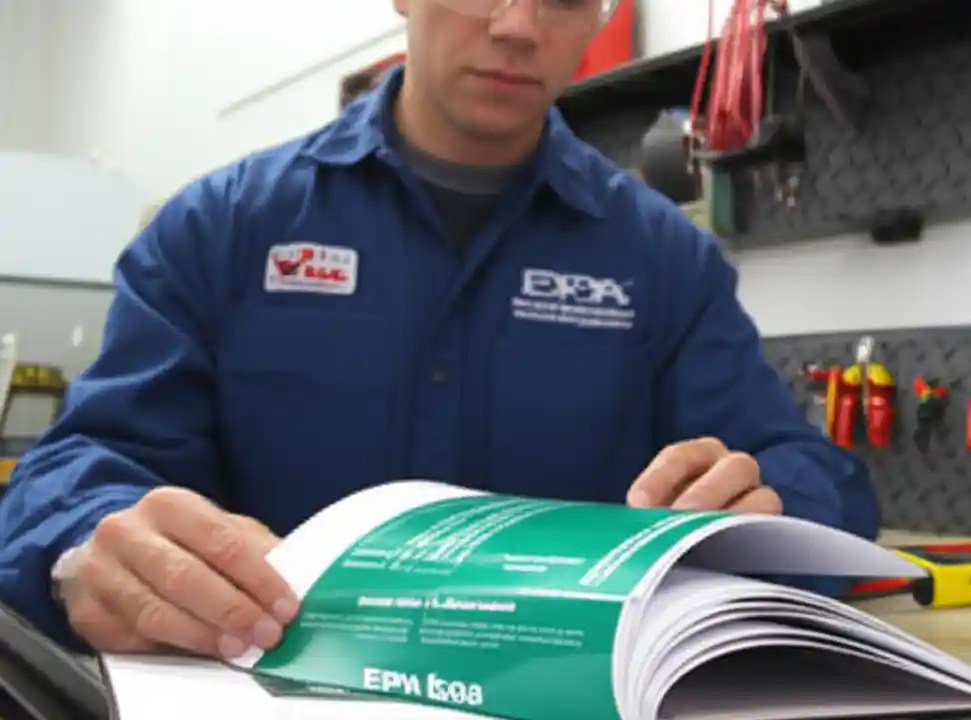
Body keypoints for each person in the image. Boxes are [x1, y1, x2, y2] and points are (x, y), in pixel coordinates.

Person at [0, 0, 879, 660]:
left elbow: (814, 481)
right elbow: (79, 469)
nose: (516, 25)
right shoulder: (220, 229)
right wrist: (87, 544)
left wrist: (757, 513)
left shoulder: (666, 265)